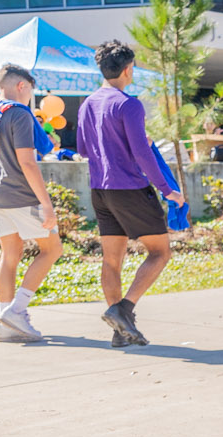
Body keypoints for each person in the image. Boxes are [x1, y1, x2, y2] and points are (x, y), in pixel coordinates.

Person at [75, 41, 185, 348]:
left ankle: (120, 331)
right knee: (160, 252)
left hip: (101, 190)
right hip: (130, 188)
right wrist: (168, 190)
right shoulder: (129, 104)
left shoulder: (87, 104)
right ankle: (124, 309)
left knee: (112, 261)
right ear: (128, 69)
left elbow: (84, 149)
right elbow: (142, 153)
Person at [0, 66, 63, 344]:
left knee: (10, 255)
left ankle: (7, 323)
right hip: (21, 195)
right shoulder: (20, 113)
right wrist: (46, 204)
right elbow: (27, 162)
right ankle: (17, 311)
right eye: (32, 92)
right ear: (22, 86)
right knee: (52, 249)